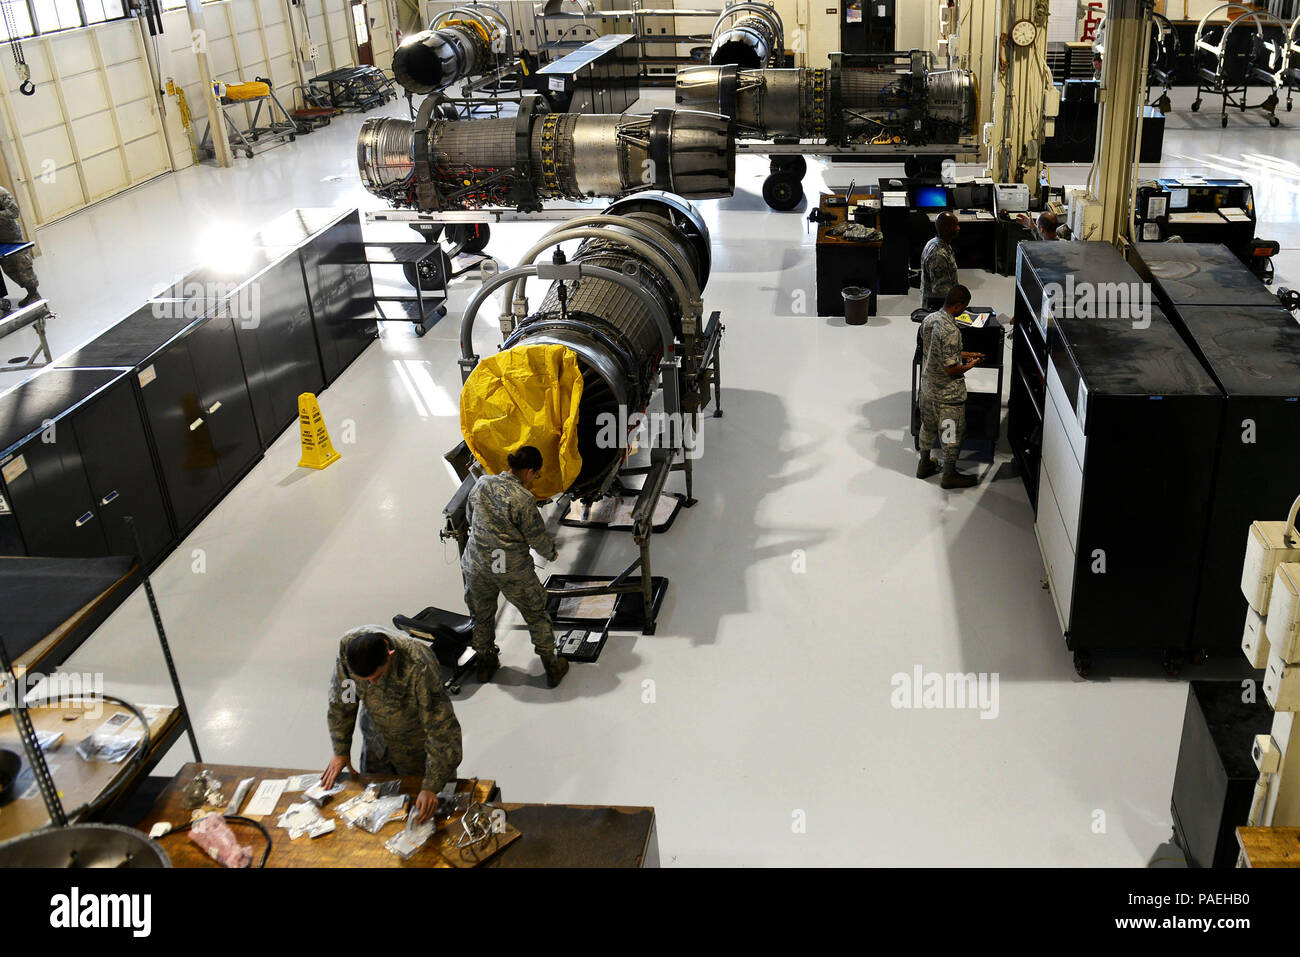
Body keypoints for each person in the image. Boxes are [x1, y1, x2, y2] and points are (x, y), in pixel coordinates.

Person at [324, 625, 463, 824]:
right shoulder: (349, 647)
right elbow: (343, 700)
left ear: (389, 655)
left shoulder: (418, 664)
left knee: (426, 819)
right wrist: (341, 749)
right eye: (366, 681)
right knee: (371, 814)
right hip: (377, 746)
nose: (372, 684)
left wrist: (431, 785)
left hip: (416, 752)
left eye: (377, 677)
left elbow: (442, 729)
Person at [462, 444, 569, 688]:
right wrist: (551, 554)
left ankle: (485, 663)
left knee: (481, 614)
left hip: (477, 563)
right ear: (530, 471)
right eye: (537, 475)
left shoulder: (482, 484)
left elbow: (471, 518)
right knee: (536, 613)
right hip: (511, 569)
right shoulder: (523, 499)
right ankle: (551, 666)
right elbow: (537, 537)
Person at [916, 284, 983, 490]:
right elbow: (952, 369)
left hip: (928, 390)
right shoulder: (952, 331)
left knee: (927, 427)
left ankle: (924, 464)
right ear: (957, 305)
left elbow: (933, 350)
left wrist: (964, 353)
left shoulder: (928, 320)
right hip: (948, 397)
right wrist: (970, 364)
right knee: (950, 434)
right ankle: (949, 475)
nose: (964, 311)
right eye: (964, 307)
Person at [0, 186, 40, 309]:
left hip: (11, 237)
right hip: (1, 241)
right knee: (9, 269)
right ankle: (30, 294)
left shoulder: (1, 193)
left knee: (22, 266)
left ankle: (34, 294)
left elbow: (14, 212)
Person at [920, 210, 960, 311]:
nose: (958, 228)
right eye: (955, 226)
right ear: (946, 229)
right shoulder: (938, 255)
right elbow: (940, 292)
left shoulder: (939, 243)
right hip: (938, 310)